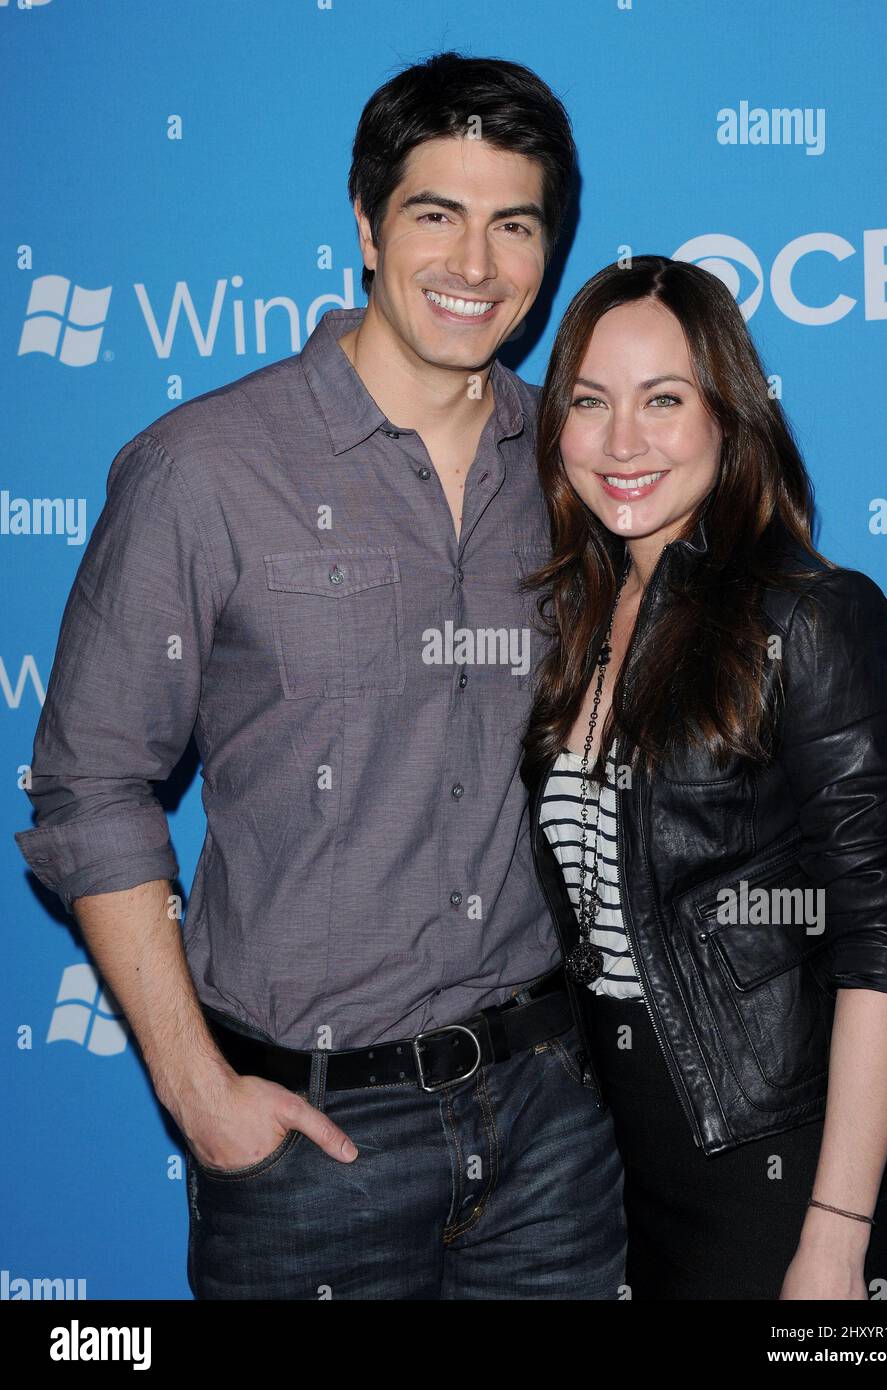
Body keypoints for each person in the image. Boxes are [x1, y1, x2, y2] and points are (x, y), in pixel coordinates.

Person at [13, 53, 627, 1300]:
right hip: (306, 1143)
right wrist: (200, 1096)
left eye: (512, 223)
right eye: (433, 213)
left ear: (549, 247)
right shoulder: (206, 470)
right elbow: (87, 790)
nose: (472, 264)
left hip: (550, 1123)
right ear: (363, 220)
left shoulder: (575, 473)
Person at [519, 255, 887, 1300]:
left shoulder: (810, 614)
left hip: (779, 1161)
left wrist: (836, 1236)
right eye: (590, 401)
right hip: (616, 1159)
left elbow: (885, 942)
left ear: (729, 416)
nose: (623, 442)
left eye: (663, 400)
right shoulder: (573, 623)